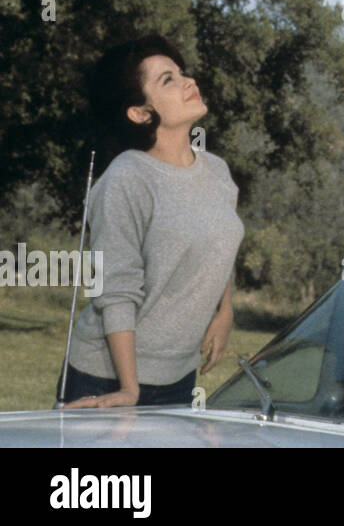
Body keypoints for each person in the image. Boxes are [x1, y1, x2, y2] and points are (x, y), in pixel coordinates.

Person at [58, 34, 244, 409]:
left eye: (181, 73)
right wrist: (129, 389)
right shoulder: (126, 179)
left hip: (179, 377)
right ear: (140, 112)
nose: (188, 82)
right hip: (108, 379)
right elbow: (117, 291)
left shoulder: (217, 171)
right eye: (167, 80)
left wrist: (225, 311)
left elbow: (220, 243)